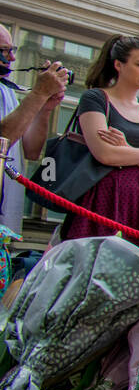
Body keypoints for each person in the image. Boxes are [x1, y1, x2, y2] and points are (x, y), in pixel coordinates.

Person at [61, 35, 139, 241]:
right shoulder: (95, 98)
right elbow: (106, 154)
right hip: (101, 193)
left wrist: (126, 147)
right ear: (118, 65)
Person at [0, 23, 69, 233]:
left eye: (13, 50)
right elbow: (2, 140)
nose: (11, 58)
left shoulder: (6, 90)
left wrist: (44, 107)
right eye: (4, 51)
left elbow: (30, 151)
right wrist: (38, 93)